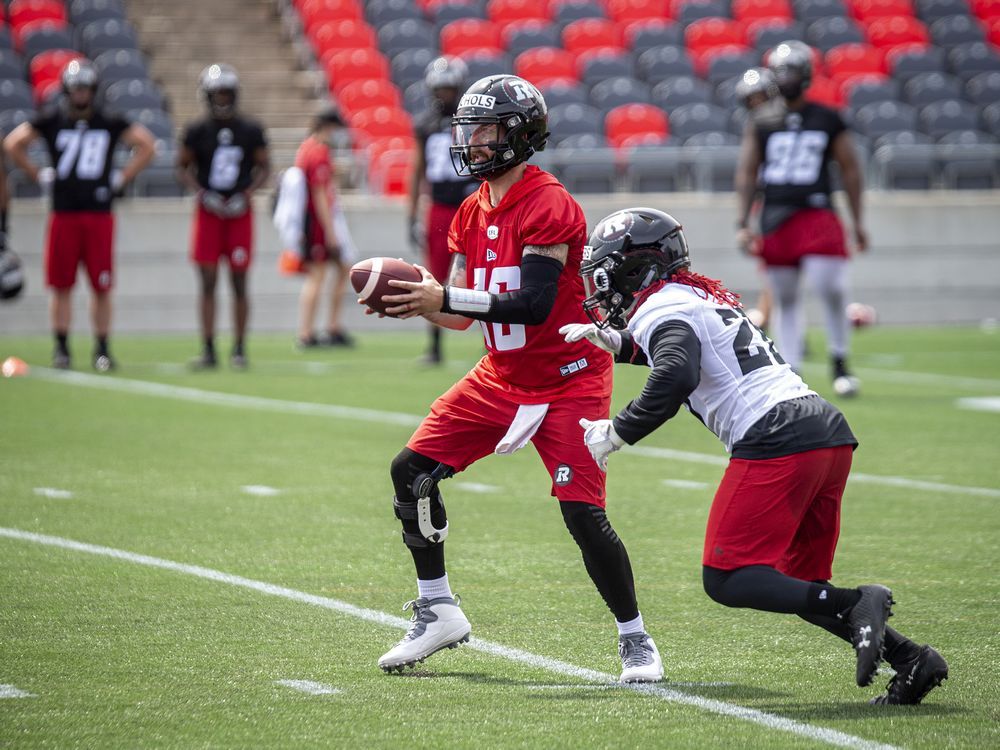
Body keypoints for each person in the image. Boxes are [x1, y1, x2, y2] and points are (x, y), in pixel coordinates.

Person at [563, 206, 948, 705]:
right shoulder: (696, 296)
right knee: (796, 584)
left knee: (727, 578)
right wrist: (619, 343)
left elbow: (677, 372)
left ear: (638, 269)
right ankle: (912, 660)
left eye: (608, 274)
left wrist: (619, 431)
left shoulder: (664, 308)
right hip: (823, 430)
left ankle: (860, 602)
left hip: (775, 436)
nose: (603, 288)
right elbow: (696, 354)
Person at [365, 75, 662, 683]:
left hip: (569, 375)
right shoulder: (471, 209)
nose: (471, 142)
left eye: (486, 130)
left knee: (582, 514)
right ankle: (438, 609)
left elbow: (530, 302)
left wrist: (443, 293)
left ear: (521, 135)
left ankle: (635, 638)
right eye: (467, 130)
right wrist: (417, 302)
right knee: (410, 471)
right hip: (500, 375)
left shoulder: (547, 202)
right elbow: (455, 314)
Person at [734, 41, 868, 396]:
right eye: (781, 72)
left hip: (816, 211)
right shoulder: (762, 120)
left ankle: (840, 362)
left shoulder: (826, 117)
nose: (787, 78)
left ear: (806, 75)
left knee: (833, 289)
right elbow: (748, 172)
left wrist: (857, 222)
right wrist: (743, 222)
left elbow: (851, 170)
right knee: (785, 298)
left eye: (792, 71)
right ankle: (791, 374)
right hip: (776, 215)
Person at [4, 59, 156, 370]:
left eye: (85, 88)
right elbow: (13, 143)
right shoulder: (52, 119)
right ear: (66, 90)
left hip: (99, 213)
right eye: (76, 88)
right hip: (64, 212)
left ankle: (102, 348)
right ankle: (61, 347)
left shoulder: (109, 121)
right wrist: (37, 173)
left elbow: (146, 145)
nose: (81, 94)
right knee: (61, 284)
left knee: (101, 285)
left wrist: (122, 177)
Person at [176, 63, 270, 370]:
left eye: (227, 93)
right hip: (209, 212)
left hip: (239, 213)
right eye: (217, 94)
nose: (222, 99)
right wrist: (204, 195)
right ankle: (208, 348)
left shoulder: (250, 130)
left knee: (240, 281)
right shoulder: (197, 131)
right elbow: (182, 167)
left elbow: (264, 167)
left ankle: (240, 348)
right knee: (207, 281)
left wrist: (246, 194)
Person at [406, 55, 478, 364]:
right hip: (439, 208)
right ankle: (434, 346)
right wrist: (411, 213)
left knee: (483, 272)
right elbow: (417, 168)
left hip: (471, 205)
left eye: (448, 88)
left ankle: (496, 341)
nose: (443, 95)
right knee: (434, 275)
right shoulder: (425, 125)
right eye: (439, 89)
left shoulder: (473, 120)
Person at [291, 107, 356, 348]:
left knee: (340, 270)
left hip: (314, 221)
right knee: (317, 275)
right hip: (318, 223)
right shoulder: (317, 152)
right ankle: (307, 332)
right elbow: (319, 195)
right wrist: (331, 233)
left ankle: (331, 326)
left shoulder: (308, 148)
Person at [732, 67, 780, 332]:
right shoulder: (757, 131)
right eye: (752, 100)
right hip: (769, 207)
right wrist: (744, 220)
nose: (757, 105)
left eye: (760, 97)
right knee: (773, 272)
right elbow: (749, 176)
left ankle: (771, 321)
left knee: (779, 273)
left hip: (790, 206)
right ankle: (771, 321)